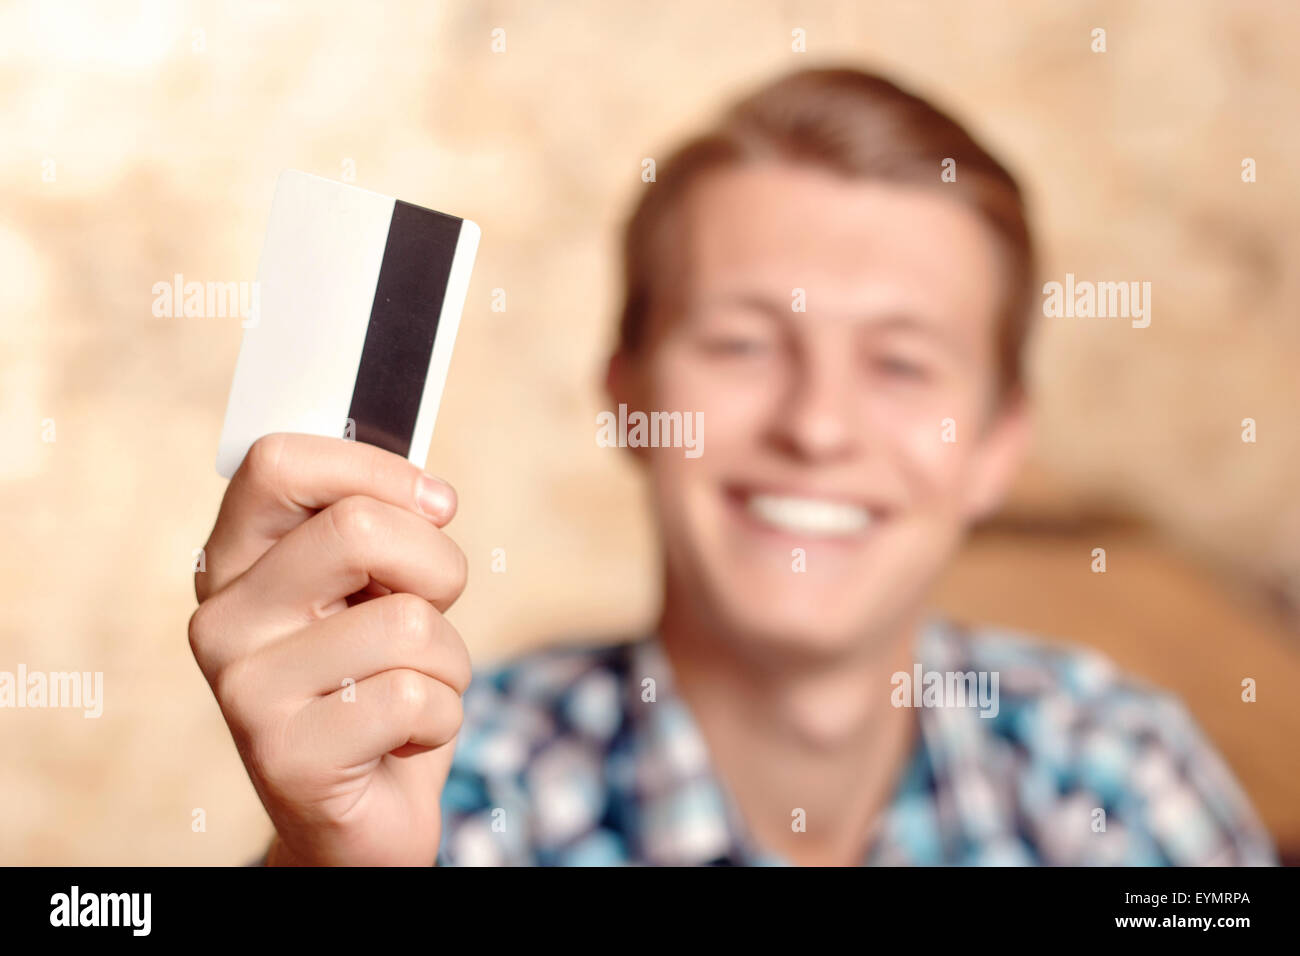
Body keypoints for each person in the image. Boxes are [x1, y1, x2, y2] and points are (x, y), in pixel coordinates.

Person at [188, 66, 1276, 866]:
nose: (816, 425)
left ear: (996, 447)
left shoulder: (1123, 774)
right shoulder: (452, 796)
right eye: (744, 342)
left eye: (899, 362)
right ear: (626, 394)